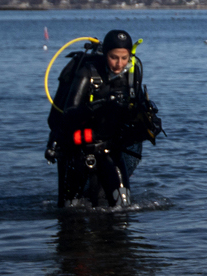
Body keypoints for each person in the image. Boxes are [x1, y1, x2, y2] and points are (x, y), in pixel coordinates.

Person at [45, 29, 161, 207]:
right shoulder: (87, 72)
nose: (119, 63)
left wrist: (148, 120)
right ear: (105, 53)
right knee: (70, 212)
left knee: (123, 208)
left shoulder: (132, 73)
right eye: (114, 57)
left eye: (124, 58)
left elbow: (135, 107)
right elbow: (69, 114)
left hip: (109, 148)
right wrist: (99, 106)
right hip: (77, 150)